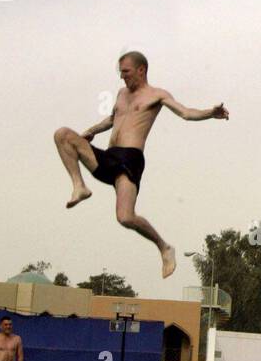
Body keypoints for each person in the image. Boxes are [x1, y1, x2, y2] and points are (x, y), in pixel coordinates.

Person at [54, 51, 229, 279]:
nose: (122, 78)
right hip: (108, 156)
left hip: (130, 160)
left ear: (141, 70)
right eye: (120, 73)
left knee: (125, 217)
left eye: (126, 72)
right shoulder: (120, 94)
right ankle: (80, 186)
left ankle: (164, 247)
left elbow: (185, 113)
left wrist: (209, 113)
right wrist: (90, 131)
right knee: (63, 135)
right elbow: (112, 119)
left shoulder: (156, 95)